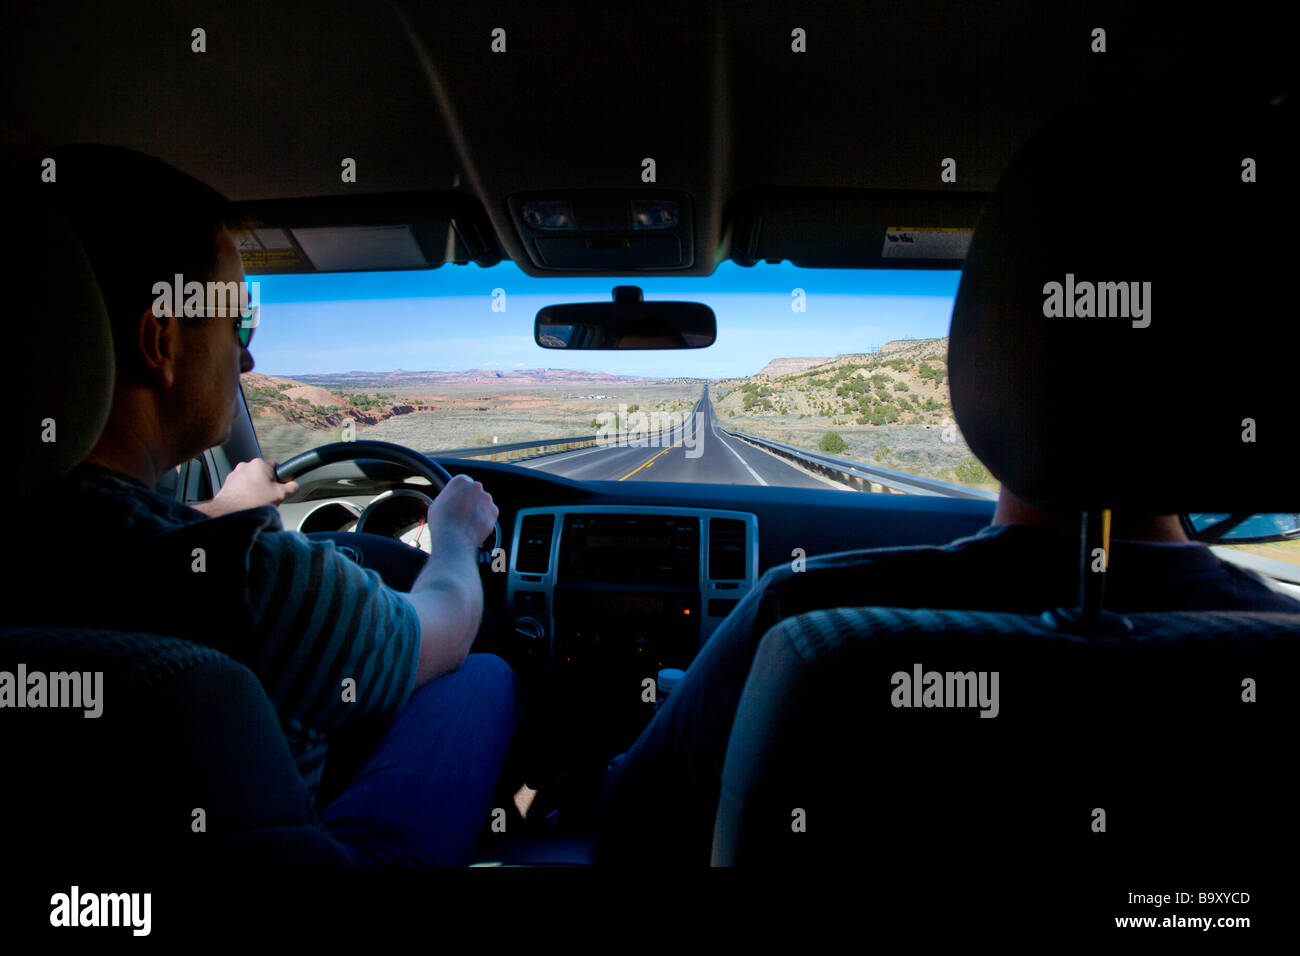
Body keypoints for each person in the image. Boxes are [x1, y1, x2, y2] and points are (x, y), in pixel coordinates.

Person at [14, 144, 520, 866]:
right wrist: (455, 540)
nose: (247, 359)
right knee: (482, 674)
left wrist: (217, 512)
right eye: (235, 324)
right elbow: (448, 627)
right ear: (161, 339)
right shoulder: (259, 581)